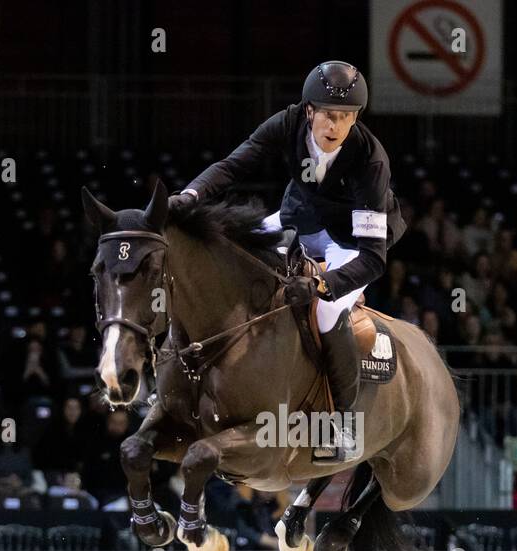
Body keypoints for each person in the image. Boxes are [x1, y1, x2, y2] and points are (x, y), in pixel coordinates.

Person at [171, 61, 404, 461]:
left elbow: (373, 259)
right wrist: (191, 195)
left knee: (328, 312)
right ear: (309, 110)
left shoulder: (370, 159)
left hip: (349, 241)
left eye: (346, 118)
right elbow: (233, 165)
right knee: (236, 260)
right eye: (329, 115)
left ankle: (342, 421)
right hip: (299, 217)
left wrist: (320, 286)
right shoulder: (287, 123)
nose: (336, 126)